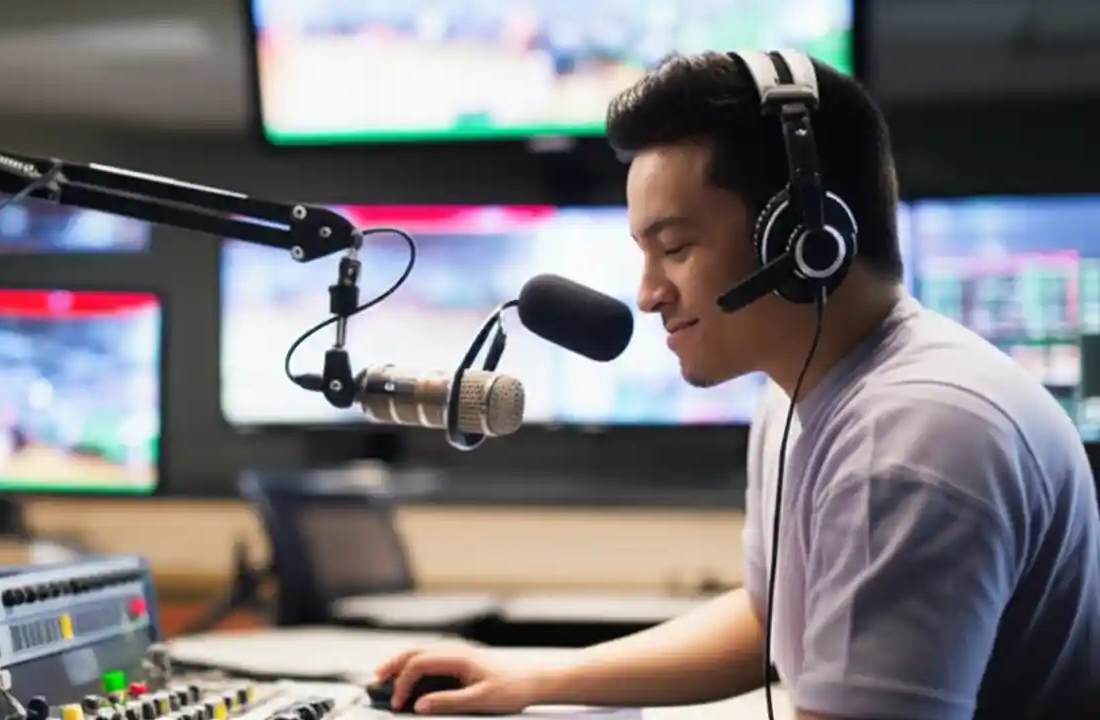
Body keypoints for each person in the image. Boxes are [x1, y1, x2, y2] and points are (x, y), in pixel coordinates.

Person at [371, 51, 1100, 719]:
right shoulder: (801, 391)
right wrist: (534, 679)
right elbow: (769, 619)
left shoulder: (910, 441)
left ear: (804, 239)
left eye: (675, 247)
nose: (648, 294)